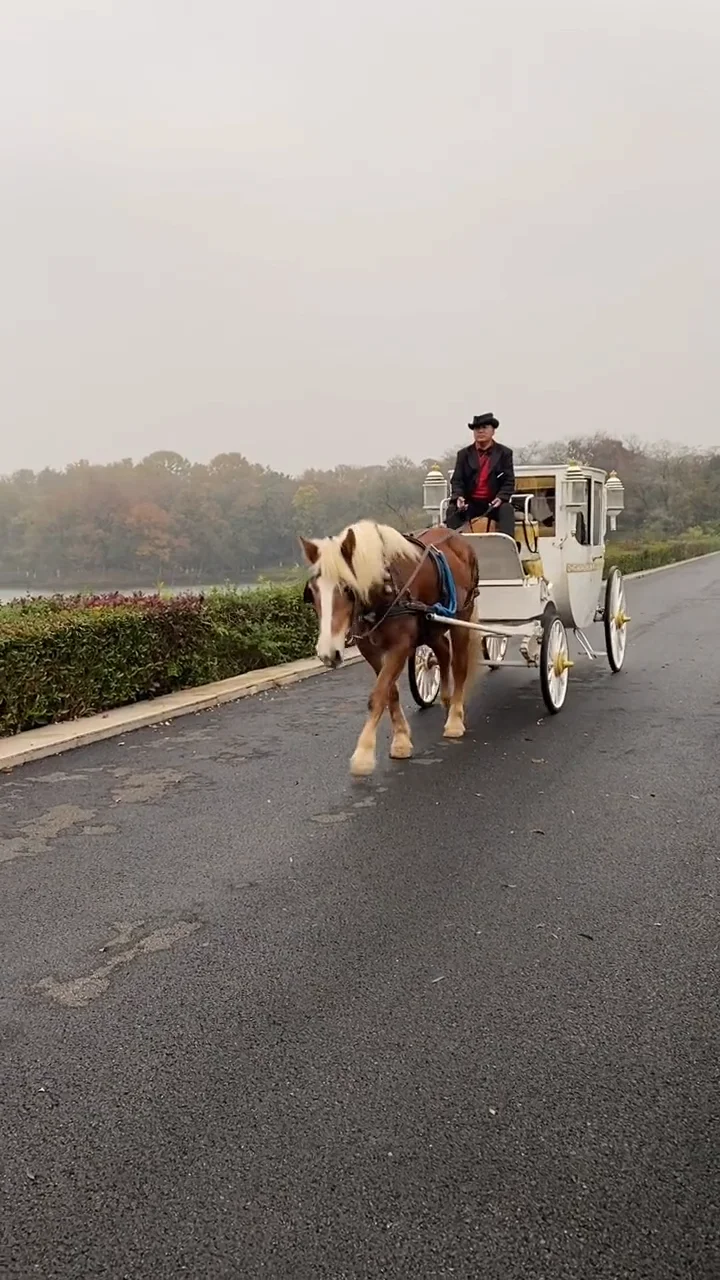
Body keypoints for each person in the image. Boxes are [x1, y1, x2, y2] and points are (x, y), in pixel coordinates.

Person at [445, 412, 516, 537]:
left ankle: (508, 545)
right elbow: (457, 481)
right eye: (477, 428)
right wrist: (459, 497)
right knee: (452, 510)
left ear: (493, 431)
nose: (480, 431)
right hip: (470, 504)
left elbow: (509, 481)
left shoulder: (504, 453)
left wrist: (501, 497)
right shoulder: (463, 454)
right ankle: (453, 546)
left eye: (484, 428)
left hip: (493, 504)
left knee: (507, 510)